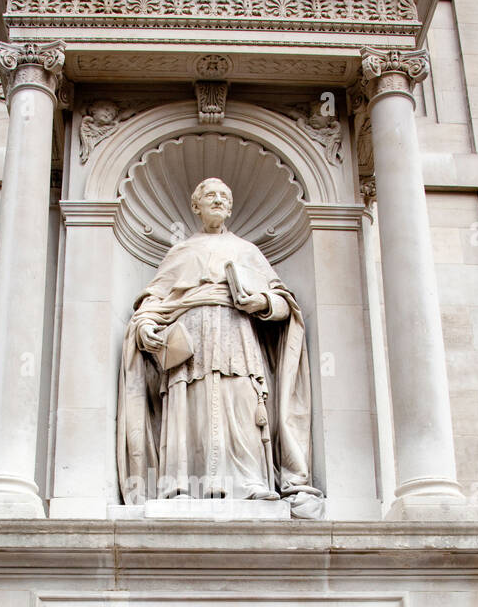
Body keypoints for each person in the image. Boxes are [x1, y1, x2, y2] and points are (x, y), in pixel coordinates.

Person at [117, 176, 323, 517]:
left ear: (230, 206)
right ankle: (181, 485)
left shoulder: (247, 252)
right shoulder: (181, 251)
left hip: (238, 333)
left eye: (223, 196)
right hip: (190, 336)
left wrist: (261, 303)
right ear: (196, 207)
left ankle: (251, 482)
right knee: (190, 406)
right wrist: (145, 326)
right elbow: (153, 301)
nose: (217, 200)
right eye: (209, 195)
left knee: (243, 402)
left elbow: (285, 304)